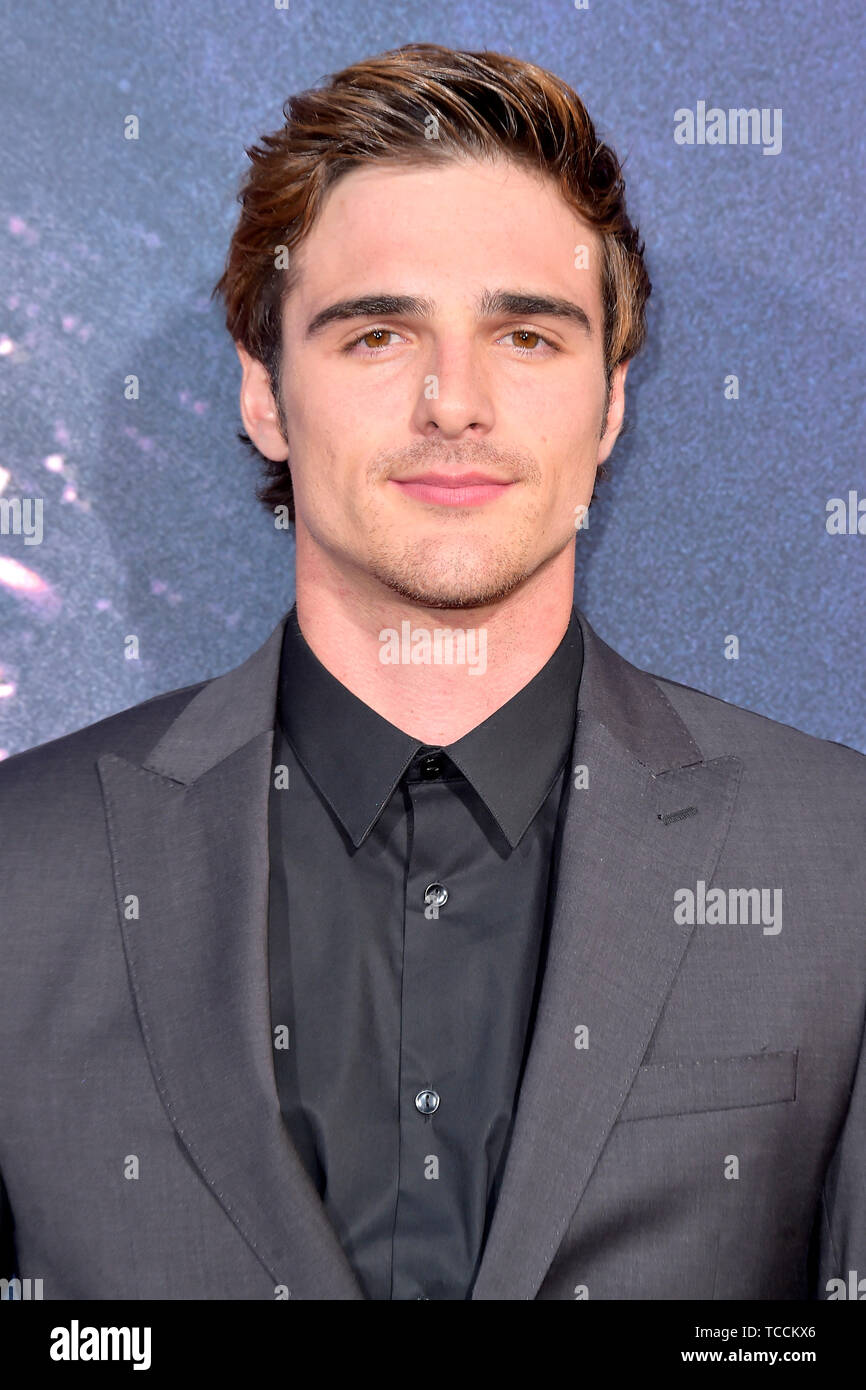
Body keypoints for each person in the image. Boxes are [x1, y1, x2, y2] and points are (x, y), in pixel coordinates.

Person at [0, 42, 863, 1302]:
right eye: (374, 334)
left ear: (610, 404)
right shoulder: (21, 876)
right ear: (263, 393)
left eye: (524, 333)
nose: (451, 400)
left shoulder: (837, 864)